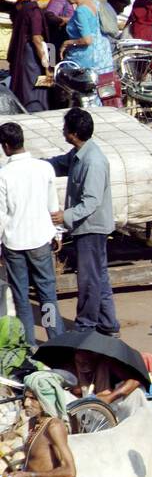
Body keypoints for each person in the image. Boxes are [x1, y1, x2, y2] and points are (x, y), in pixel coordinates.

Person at [46, 110, 118, 337]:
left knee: (88, 279)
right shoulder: (79, 154)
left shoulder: (93, 161)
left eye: (65, 127)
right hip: (86, 227)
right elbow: (58, 163)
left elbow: (91, 202)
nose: (63, 131)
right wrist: (35, 167)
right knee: (99, 276)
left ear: (74, 133)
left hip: (92, 227)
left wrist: (65, 216)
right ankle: (108, 324)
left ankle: (85, 326)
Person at [0, 124, 63, 345]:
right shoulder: (44, 168)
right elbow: (53, 205)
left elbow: (1, 215)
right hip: (40, 240)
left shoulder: (4, 175)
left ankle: (28, 345)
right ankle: (56, 341)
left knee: (21, 298)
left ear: (6, 146)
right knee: (47, 294)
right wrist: (58, 234)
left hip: (14, 243)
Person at [3, 0, 51, 113]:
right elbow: (36, 38)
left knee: (24, 83)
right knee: (36, 84)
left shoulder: (21, 7)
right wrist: (47, 66)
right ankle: (36, 109)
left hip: (23, 52)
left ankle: (23, 107)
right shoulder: (34, 12)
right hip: (33, 55)